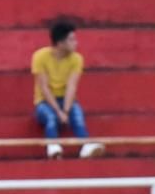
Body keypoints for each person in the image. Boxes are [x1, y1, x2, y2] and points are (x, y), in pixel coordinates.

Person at [32, 21, 104, 160]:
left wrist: (65, 110)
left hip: (66, 100)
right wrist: (59, 112)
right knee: (51, 117)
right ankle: (53, 146)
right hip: (44, 102)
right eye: (71, 39)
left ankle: (85, 145)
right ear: (60, 43)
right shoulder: (40, 57)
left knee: (77, 115)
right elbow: (44, 87)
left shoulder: (77, 59)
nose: (76, 43)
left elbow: (72, 86)